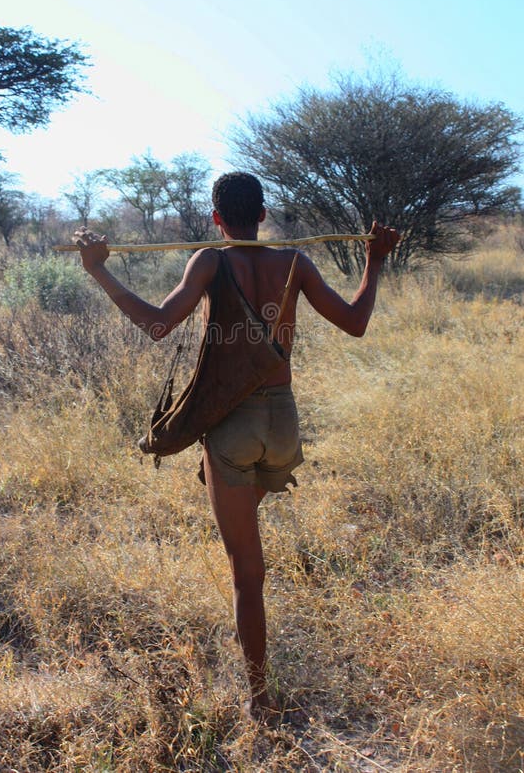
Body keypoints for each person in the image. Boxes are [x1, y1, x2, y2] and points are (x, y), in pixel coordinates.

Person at [73, 172, 399, 722]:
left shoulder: (208, 260)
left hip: (232, 429)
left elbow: (158, 326)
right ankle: (257, 675)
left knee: (248, 575)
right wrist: (377, 259)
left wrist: (99, 269)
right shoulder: (296, 260)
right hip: (284, 424)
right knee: (244, 523)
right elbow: (356, 322)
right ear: (264, 215)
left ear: (216, 218)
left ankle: (258, 699)